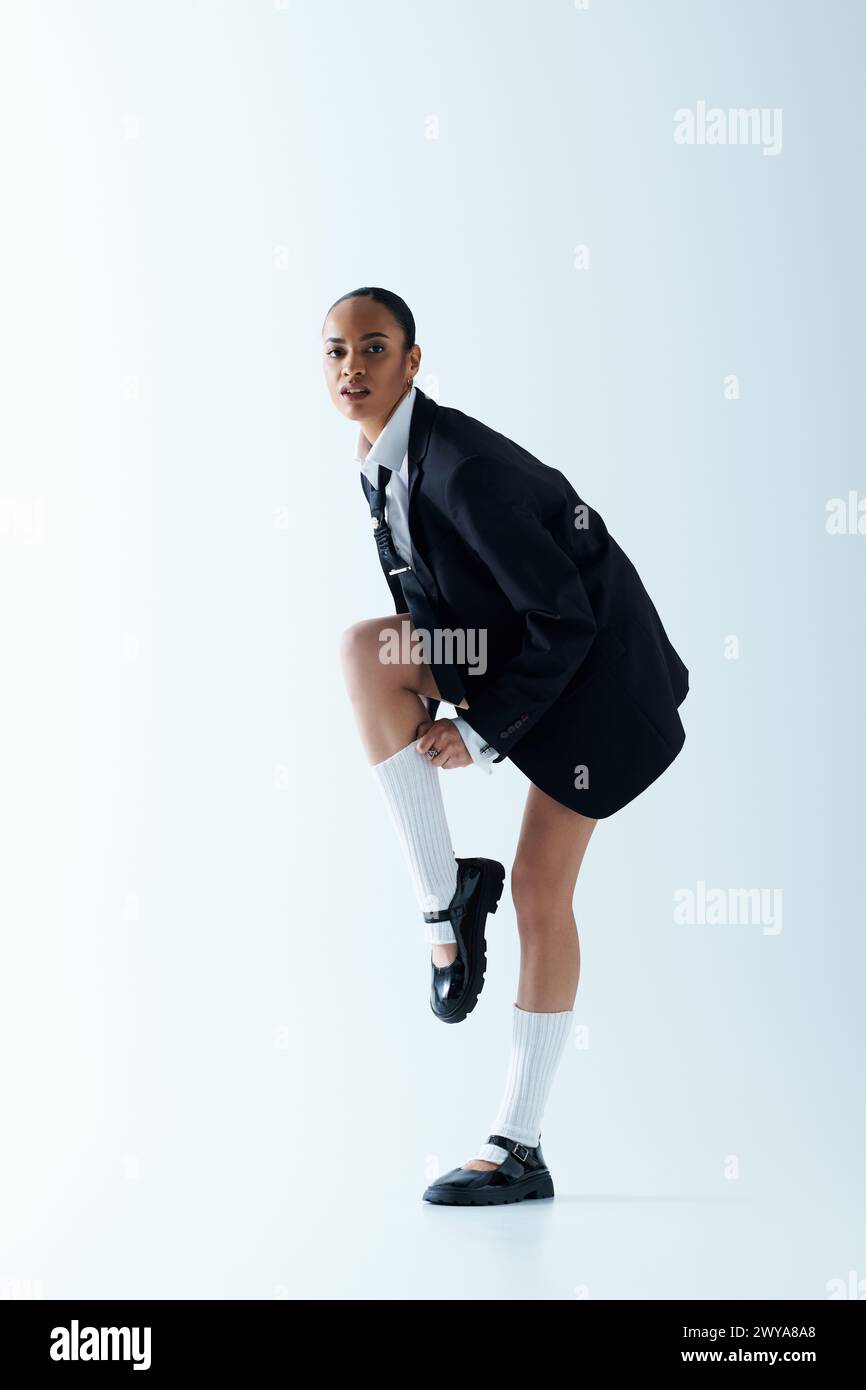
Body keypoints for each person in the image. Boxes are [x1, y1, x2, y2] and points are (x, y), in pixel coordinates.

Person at [322, 286, 689, 1206]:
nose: (353, 368)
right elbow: (440, 603)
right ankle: (446, 900)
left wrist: (479, 730)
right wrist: (449, 681)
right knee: (369, 654)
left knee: (537, 892)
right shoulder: (381, 458)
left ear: (413, 362)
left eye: (375, 348)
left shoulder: (463, 468)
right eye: (336, 352)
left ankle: (518, 1147)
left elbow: (564, 617)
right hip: (508, 647)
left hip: (601, 682)